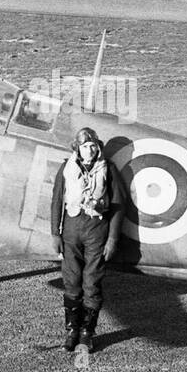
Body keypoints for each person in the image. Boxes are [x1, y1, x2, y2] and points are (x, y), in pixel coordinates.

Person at [50, 127, 124, 351]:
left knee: (91, 283)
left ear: (98, 147)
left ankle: (86, 334)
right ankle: (71, 332)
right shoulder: (67, 167)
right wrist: (55, 233)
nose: (90, 150)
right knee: (71, 283)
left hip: (96, 231)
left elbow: (119, 206)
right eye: (85, 146)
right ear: (78, 149)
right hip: (71, 231)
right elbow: (56, 201)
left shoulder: (108, 169)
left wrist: (112, 239)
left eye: (93, 146)